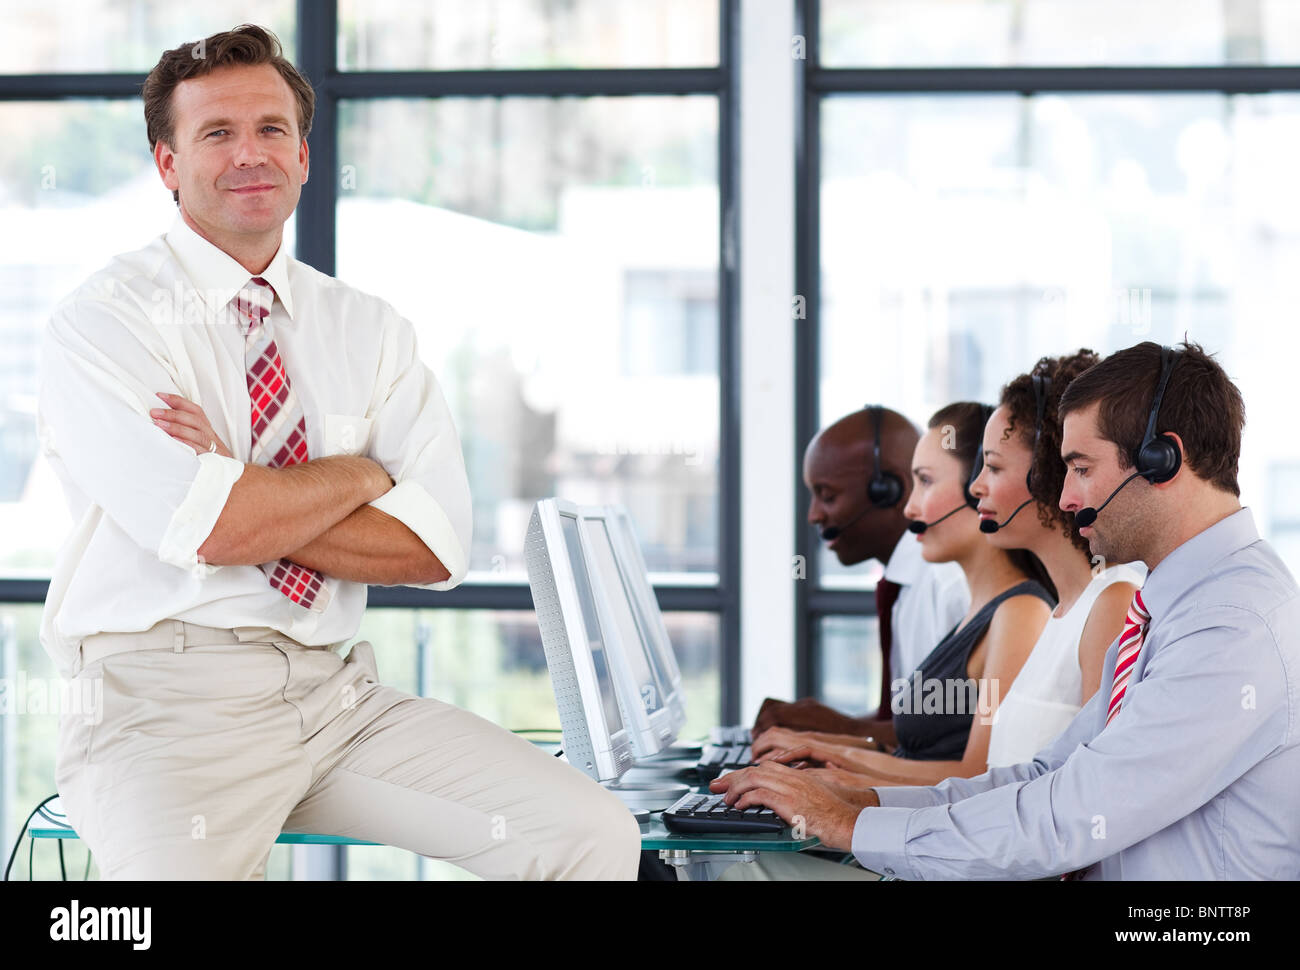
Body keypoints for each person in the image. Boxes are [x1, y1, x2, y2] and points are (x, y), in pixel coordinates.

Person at [37, 25, 640, 881]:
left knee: (592, 833)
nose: (250, 154)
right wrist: (363, 475)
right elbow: (211, 530)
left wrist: (247, 490)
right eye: (217, 134)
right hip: (162, 707)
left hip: (333, 696)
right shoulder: (106, 321)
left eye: (271, 130)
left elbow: (432, 548)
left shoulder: (368, 329)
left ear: (305, 155)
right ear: (167, 165)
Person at [715, 341, 1300, 879]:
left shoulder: (1232, 623)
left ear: (1162, 461)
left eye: (1081, 468)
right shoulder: (1170, 606)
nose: (1067, 497)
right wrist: (857, 802)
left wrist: (851, 825)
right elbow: (1045, 777)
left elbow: (1076, 812)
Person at [752, 402, 1055, 785]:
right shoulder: (978, 611)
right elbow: (922, 750)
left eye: (925, 482)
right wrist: (820, 747)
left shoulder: (1014, 610)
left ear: (978, 488)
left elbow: (978, 777)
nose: (910, 508)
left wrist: (833, 759)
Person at [752, 405, 969, 737]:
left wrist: (838, 729)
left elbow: (949, 737)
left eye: (827, 496)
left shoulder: (947, 585)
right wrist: (820, 728)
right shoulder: (904, 584)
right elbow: (912, 723)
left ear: (888, 491)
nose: (814, 516)